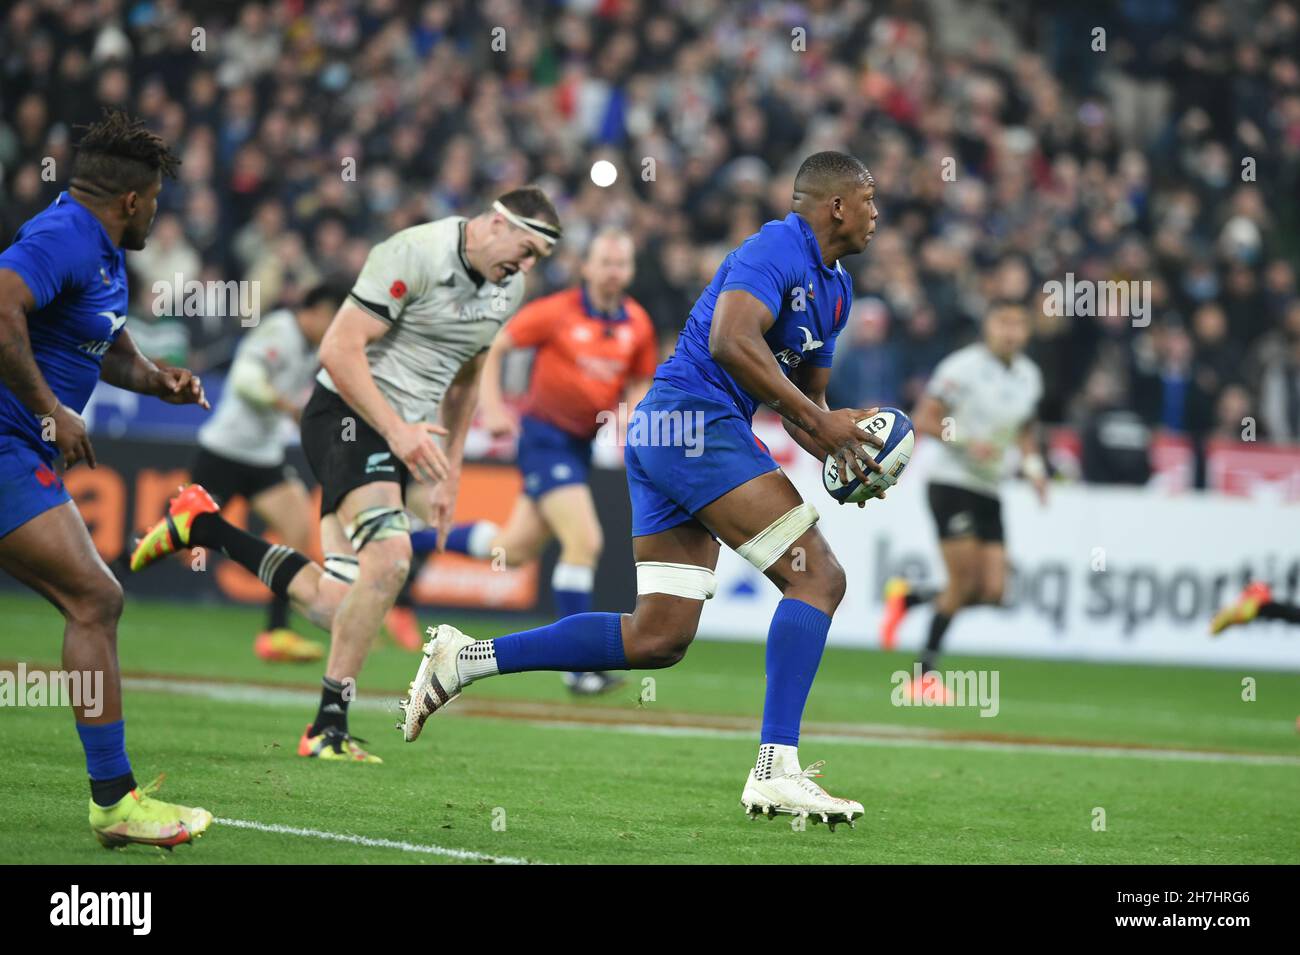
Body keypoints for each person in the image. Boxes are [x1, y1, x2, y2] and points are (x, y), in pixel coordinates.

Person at [400, 151, 883, 828]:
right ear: (836, 204)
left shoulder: (838, 290)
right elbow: (727, 339)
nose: (876, 214)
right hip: (694, 422)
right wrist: (819, 422)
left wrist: (844, 452)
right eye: (868, 200)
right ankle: (776, 768)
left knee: (657, 636)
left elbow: (811, 400)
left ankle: (465, 658)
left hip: (676, 431)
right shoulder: (774, 245)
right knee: (819, 578)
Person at [132, 187, 562, 764]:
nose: (528, 266)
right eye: (527, 249)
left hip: (398, 433)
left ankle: (203, 527)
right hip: (348, 418)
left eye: (539, 258)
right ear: (495, 222)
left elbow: (467, 377)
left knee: (339, 606)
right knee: (391, 561)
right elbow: (338, 349)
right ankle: (328, 726)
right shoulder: (413, 252)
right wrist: (399, 429)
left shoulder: (507, 289)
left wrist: (452, 469)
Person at [0, 110, 212, 848]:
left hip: (19, 443)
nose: (157, 210)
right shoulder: (61, 238)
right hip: (6, 441)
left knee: (93, 598)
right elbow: (1, 308)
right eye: (156, 199)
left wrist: (160, 381)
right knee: (95, 595)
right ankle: (114, 803)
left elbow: (104, 345)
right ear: (133, 200)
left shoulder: (100, 251)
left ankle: (114, 802)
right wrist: (51, 408)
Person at [414, 228, 657, 695]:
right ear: (585, 267)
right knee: (584, 541)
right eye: (604, 261)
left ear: (630, 271)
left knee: (514, 548)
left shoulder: (637, 324)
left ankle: (411, 540)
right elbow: (499, 346)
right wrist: (495, 406)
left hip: (580, 446)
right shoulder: (557, 311)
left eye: (621, 263)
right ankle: (576, 667)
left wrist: (632, 419)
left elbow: (638, 379)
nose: (613, 272)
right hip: (544, 441)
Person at [880, 301, 1048, 697]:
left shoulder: (1029, 376)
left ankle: (911, 598)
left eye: (1018, 324)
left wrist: (1036, 470)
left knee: (993, 591)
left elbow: (1025, 429)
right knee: (962, 582)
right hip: (951, 481)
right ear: (988, 326)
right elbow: (924, 418)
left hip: (989, 488)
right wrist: (966, 442)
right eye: (1003, 322)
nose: (1010, 331)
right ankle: (922, 677)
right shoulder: (962, 368)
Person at [190, 281, 347, 662]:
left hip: (262, 456)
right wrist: (287, 406)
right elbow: (244, 380)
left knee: (296, 528)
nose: (333, 327)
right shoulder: (281, 330)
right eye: (331, 318)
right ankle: (115, 572)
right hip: (225, 451)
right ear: (314, 312)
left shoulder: (312, 348)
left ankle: (276, 633)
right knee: (181, 535)